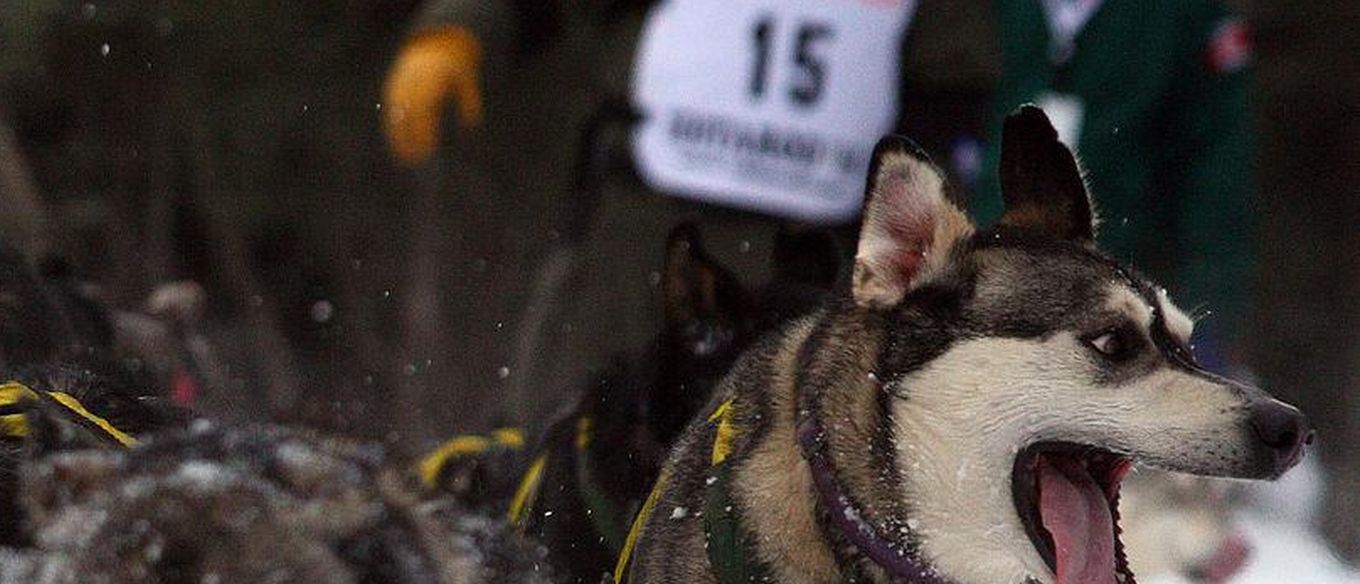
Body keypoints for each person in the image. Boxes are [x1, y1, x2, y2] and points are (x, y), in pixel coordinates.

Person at [381, 0, 997, 409]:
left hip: (825, 257)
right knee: (565, 431)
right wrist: (459, 26)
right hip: (643, 228)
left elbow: (969, 72)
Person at [971, 0, 1257, 369]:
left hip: (1132, 288)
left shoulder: (1190, 19)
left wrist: (1210, 311)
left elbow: (1218, 181)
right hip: (1001, 284)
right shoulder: (994, 15)